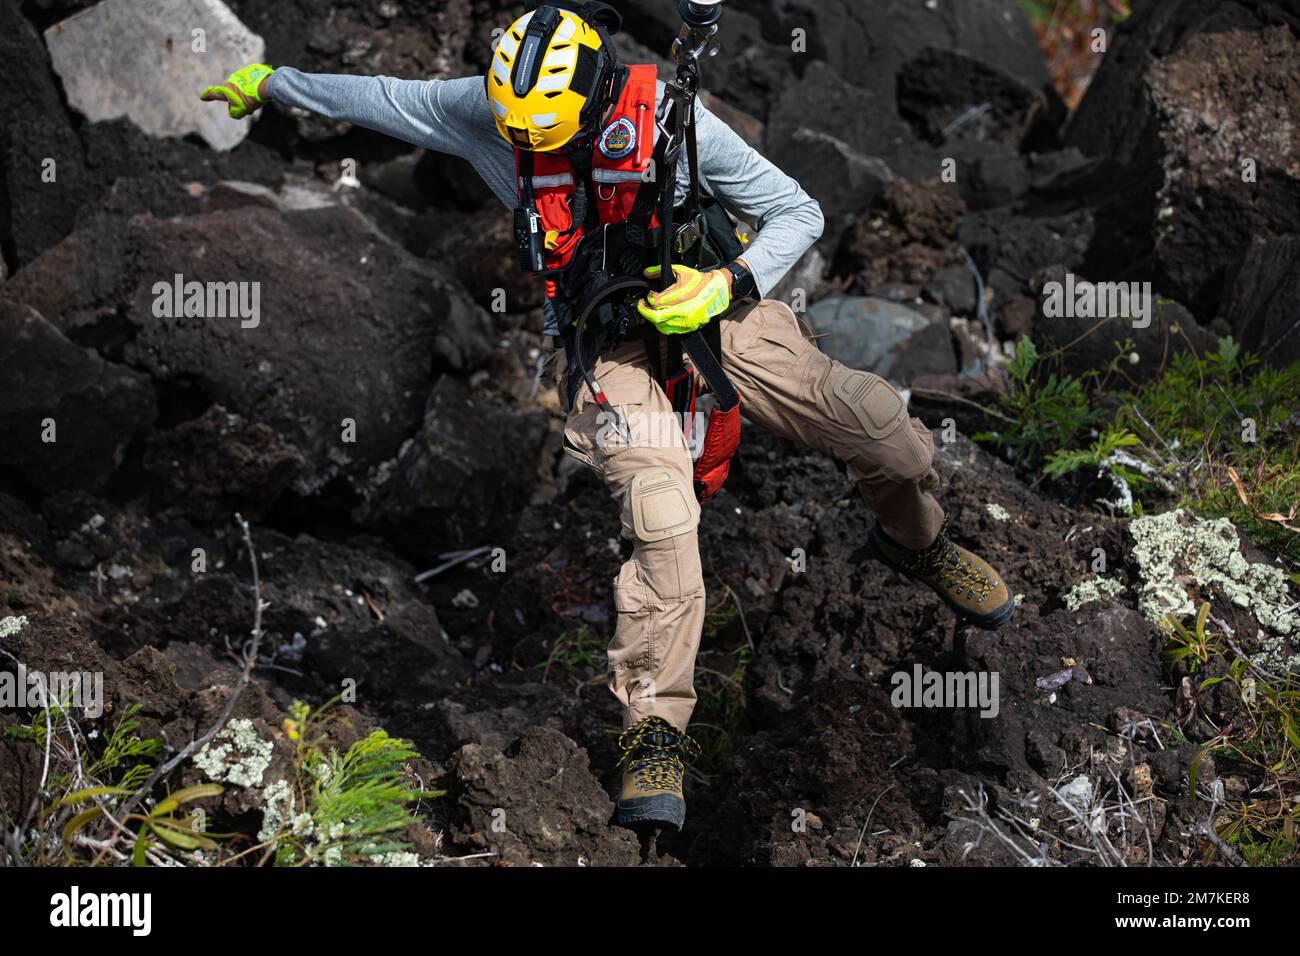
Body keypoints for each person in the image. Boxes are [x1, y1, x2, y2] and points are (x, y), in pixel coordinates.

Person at [202, 0, 1014, 834]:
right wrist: (274, 83)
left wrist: (723, 284)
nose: (527, 149)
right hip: (601, 343)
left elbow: (798, 211)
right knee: (663, 514)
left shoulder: (672, 117)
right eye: (518, 134)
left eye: (545, 134)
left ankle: (919, 541)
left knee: (882, 426)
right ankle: (655, 732)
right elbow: (381, 95)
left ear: (591, 102)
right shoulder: (493, 114)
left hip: (709, 309)